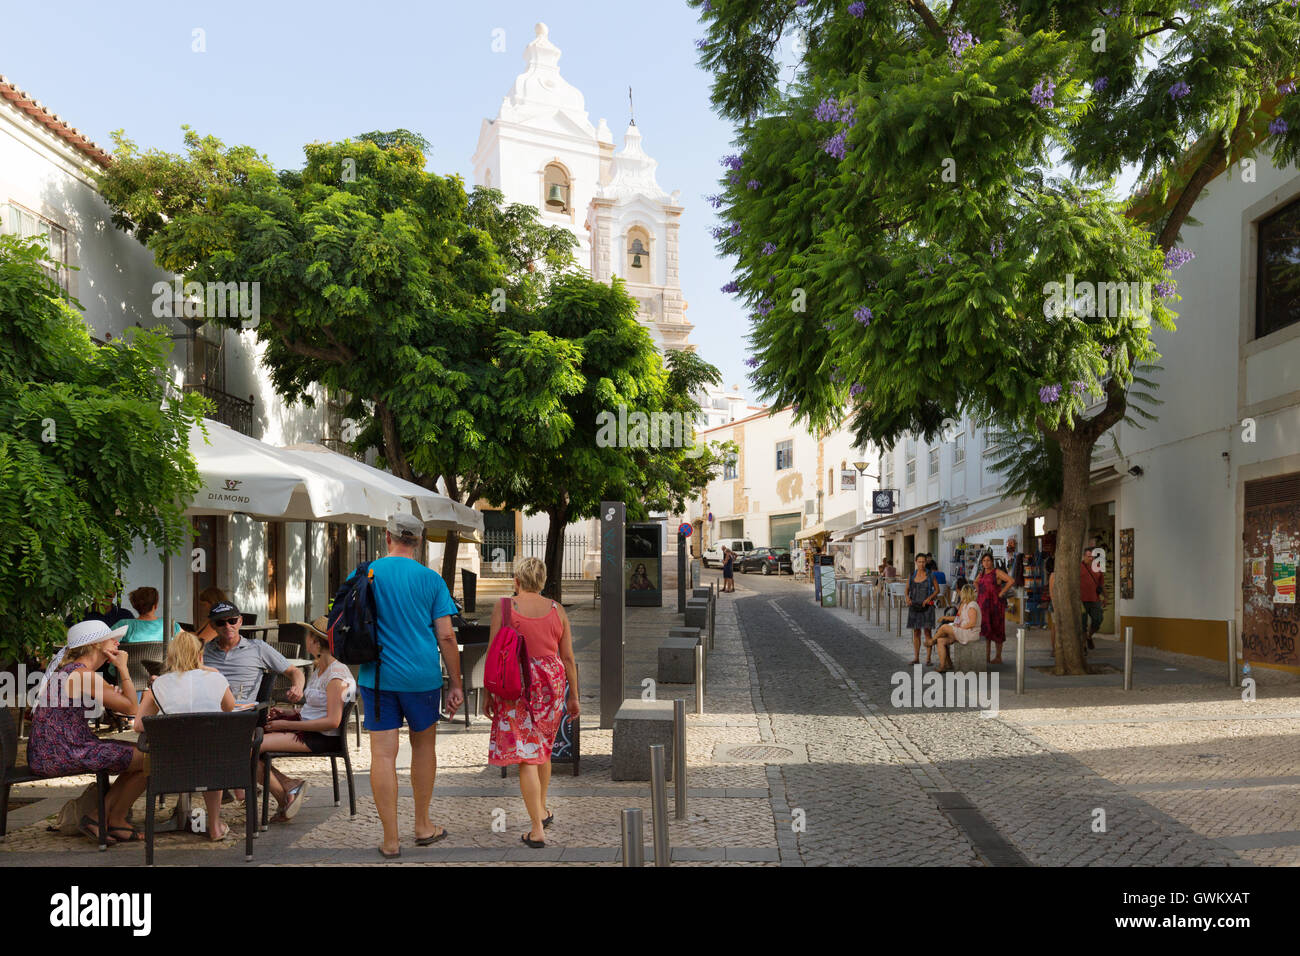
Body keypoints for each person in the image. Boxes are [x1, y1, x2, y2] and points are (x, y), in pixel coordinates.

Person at [355, 512, 463, 860]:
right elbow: (446, 635)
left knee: (382, 755)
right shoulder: (431, 580)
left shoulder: (366, 573)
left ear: (388, 537)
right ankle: (422, 825)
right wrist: (457, 683)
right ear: (419, 540)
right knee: (423, 748)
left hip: (377, 676)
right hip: (421, 678)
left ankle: (390, 839)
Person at [486, 557, 580, 848]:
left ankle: (537, 829)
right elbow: (568, 659)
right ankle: (540, 808)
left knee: (527, 754)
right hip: (551, 684)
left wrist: (490, 694)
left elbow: (493, 653)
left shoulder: (505, 608)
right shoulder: (557, 610)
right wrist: (574, 696)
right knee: (544, 749)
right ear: (542, 582)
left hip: (518, 684)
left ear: (516, 580)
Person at [27, 621, 148, 846]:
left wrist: (115, 694)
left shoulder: (75, 671)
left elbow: (123, 706)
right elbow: (132, 709)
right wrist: (123, 668)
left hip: (53, 750)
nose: (117, 642)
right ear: (95, 645)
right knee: (149, 759)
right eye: (111, 638)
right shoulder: (84, 675)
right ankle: (106, 818)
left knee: (140, 754)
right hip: (62, 752)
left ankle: (105, 818)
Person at [134, 631, 238, 841]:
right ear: (200, 655)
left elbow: (138, 725)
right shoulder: (216, 678)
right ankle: (215, 825)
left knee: (193, 750)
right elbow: (229, 708)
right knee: (209, 751)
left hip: (170, 765)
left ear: (171, 657)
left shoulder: (159, 684)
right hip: (214, 764)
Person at [258, 616, 356, 823]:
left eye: (308, 636)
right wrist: (285, 714)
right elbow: (314, 709)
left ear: (316, 641)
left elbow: (332, 722)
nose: (305, 640)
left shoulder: (336, 676)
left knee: (252, 745)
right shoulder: (321, 667)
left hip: (321, 736)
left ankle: (285, 794)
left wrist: (287, 724)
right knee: (249, 742)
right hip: (308, 728)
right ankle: (287, 787)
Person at [199, 601, 304, 707]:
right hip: (209, 709)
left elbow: (293, 671)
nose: (227, 626)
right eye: (220, 623)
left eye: (232, 621)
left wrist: (298, 688)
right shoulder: (203, 651)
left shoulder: (258, 647)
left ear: (240, 621)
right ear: (212, 625)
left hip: (242, 712)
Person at [929, 585, 982, 672]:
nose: (960, 595)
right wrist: (955, 624)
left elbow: (972, 623)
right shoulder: (965, 605)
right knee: (941, 640)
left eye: (961, 593)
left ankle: (931, 641)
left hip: (970, 633)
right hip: (963, 631)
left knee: (944, 627)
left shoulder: (972, 606)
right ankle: (943, 666)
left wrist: (959, 627)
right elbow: (958, 619)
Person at [976, 552, 1014, 666]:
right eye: (984, 561)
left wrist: (1002, 592)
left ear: (992, 561)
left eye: (988, 560)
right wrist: (978, 590)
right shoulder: (981, 573)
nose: (986, 563)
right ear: (982, 563)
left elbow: (1011, 581)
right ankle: (986, 656)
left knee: (997, 630)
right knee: (985, 631)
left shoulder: (996, 572)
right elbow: (975, 582)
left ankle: (998, 657)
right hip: (983, 606)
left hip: (995, 605)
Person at [115, 587, 182, 644]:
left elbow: (106, 644)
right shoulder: (170, 625)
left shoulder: (124, 625)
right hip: (164, 659)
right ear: (155, 605)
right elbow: (187, 642)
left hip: (130, 659)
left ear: (134, 606)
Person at [906, 554, 940, 666]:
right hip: (914, 606)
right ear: (916, 562)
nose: (921, 564)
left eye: (923, 562)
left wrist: (929, 598)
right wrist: (907, 598)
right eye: (919, 561)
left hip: (927, 607)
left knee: (927, 632)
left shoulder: (930, 575)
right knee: (916, 632)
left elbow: (937, 590)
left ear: (926, 562)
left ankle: (928, 659)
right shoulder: (911, 575)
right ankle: (916, 658)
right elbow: (907, 590)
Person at [1080, 547, 1106, 650]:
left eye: (1092, 556)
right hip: (1081, 600)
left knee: (1098, 620)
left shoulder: (1098, 567)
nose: (1091, 558)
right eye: (1088, 556)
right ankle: (1083, 646)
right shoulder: (1078, 567)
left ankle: (1089, 636)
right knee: (1082, 624)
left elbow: (1101, 584)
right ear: (1084, 556)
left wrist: (1106, 597)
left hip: (1095, 599)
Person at [1045, 556, 1057, 656]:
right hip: (1055, 604)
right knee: (1055, 627)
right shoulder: (1053, 575)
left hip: (1059, 604)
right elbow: (1052, 592)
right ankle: (1053, 649)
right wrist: (1055, 605)